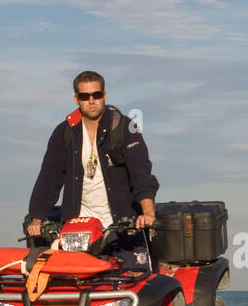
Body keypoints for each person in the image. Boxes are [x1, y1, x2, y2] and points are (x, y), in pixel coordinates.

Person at [25, 71, 159, 268]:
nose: (91, 101)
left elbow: (141, 173)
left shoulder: (124, 127)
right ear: (76, 99)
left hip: (122, 225)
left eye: (96, 95)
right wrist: (37, 219)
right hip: (78, 231)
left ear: (104, 96)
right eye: (84, 96)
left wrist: (147, 213)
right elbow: (49, 177)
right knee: (72, 285)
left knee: (136, 282)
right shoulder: (64, 132)